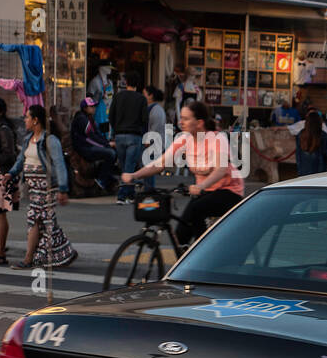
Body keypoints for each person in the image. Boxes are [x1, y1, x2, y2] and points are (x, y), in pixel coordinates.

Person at [122, 101, 241, 247]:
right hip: (204, 192)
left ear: (199, 123)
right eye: (181, 117)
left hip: (229, 191)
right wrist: (134, 175)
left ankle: (203, 252)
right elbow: (160, 164)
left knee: (196, 210)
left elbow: (220, 169)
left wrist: (202, 185)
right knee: (180, 236)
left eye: (186, 118)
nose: (181, 122)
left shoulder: (217, 139)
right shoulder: (185, 139)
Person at [7, 104, 76, 268]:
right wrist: (11, 174)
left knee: (34, 219)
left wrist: (63, 189)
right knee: (46, 222)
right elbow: (21, 161)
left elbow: (59, 165)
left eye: (27, 117)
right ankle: (65, 252)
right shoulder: (27, 139)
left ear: (36, 120)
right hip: (33, 188)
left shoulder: (50, 140)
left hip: (47, 188)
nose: (25, 120)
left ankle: (28, 260)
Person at [109, 71, 150, 201]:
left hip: (120, 135)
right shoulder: (141, 99)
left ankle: (130, 194)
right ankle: (122, 196)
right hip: (134, 135)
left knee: (124, 166)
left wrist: (116, 130)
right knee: (130, 167)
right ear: (138, 84)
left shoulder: (118, 96)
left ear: (126, 83)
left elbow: (111, 116)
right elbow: (145, 119)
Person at [0, 96, 18, 265]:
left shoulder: (4, 129)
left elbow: (10, 156)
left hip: (0, 175)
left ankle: (1, 251)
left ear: (0, 111)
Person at [69, 97, 118, 191]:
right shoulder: (82, 119)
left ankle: (106, 176)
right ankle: (101, 179)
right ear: (85, 108)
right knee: (110, 153)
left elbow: (97, 135)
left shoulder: (90, 118)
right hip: (84, 148)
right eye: (91, 106)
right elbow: (90, 138)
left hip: (88, 146)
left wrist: (107, 143)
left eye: (94, 106)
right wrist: (106, 145)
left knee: (113, 152)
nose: (94, 108)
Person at [295, 110, 327, 176]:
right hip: (319, 173)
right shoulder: (322, 135)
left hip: (303, 172)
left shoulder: (300, 135)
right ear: (319, 122)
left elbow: (298, 155)